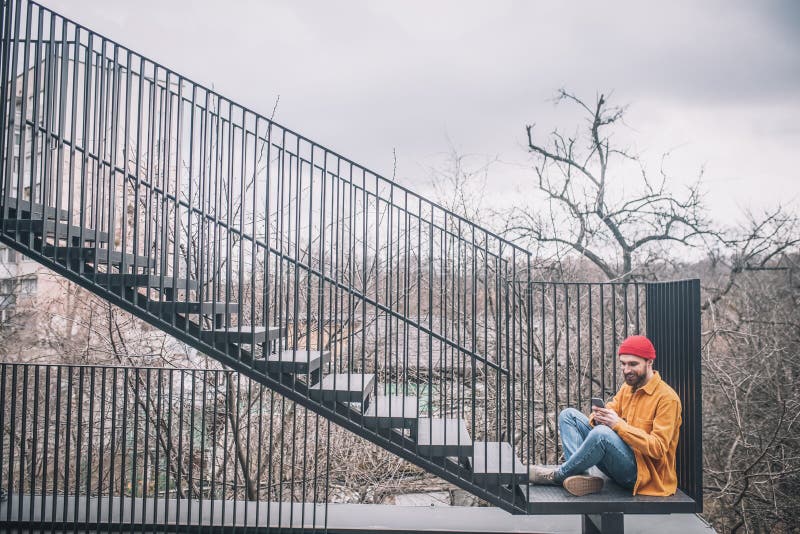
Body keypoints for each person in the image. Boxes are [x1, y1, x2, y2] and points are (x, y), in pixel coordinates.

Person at [528, 335, 682, 497]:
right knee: (568, 416)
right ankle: (580, 478)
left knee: (602, 434)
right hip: (617, 461)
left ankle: (559, 476)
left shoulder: (667, 399)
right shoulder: (628, 388)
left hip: (642, 476)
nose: (626, 370)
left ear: (649, 362)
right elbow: (611, 410)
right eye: (623, 364)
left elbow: (658, 448)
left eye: (633, 364)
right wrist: (599, 415)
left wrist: (617, 425)